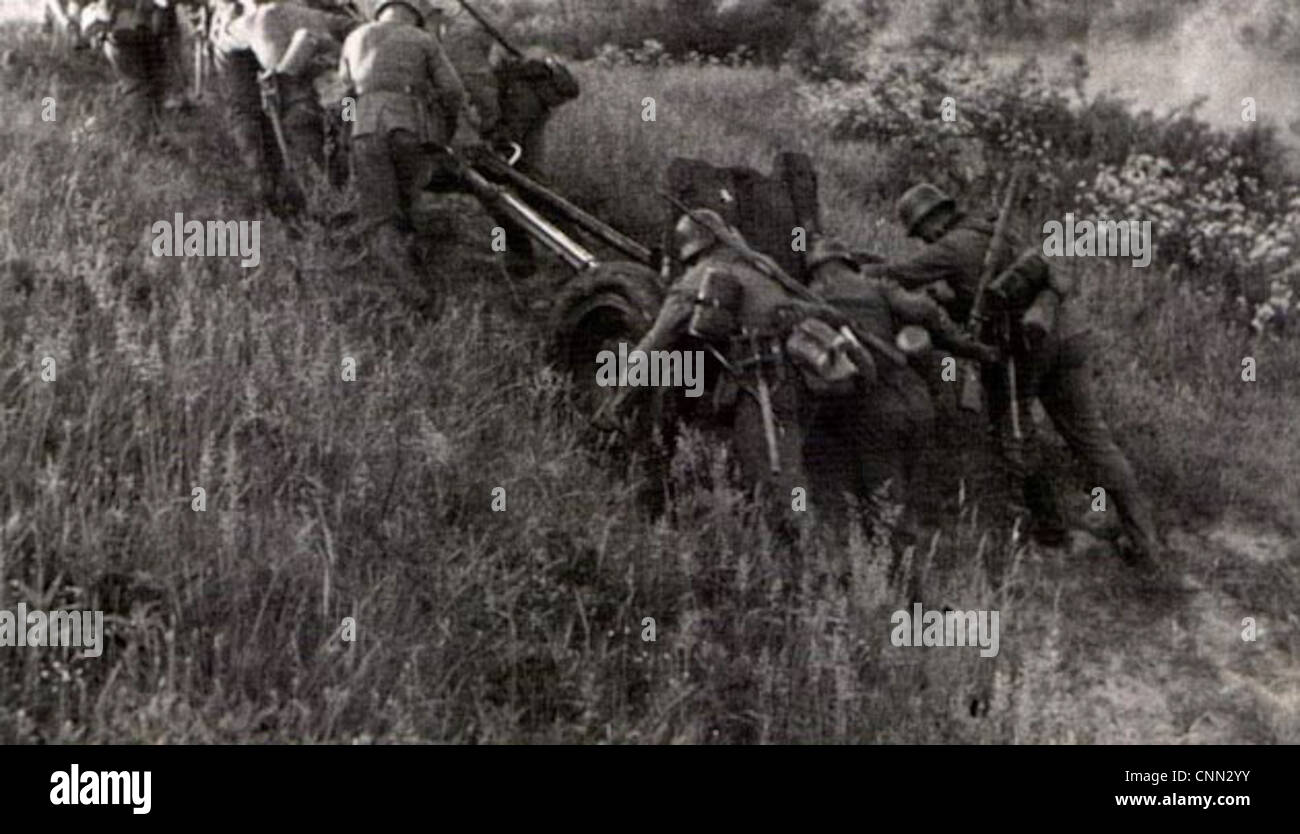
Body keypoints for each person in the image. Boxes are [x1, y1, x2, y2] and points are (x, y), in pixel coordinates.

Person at [860, 182, 1166, 573]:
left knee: (1014, 433)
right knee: (1092, 439)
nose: (923, 239)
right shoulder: (996, 229)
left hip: (1023, 351)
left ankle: (1050, 530)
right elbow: (988, 289)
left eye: (920, 231)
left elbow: (899, 275)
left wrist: (852, 267)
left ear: (933, 220)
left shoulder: (950, 247)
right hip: (1068, 334)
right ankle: (1145, 546)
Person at [337, 0, 466, 312]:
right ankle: (417, 285)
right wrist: (446, 127)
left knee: (381, 213)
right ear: (414, 15)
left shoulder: (355, 37)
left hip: (365, 130)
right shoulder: (422, 39)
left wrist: (351, 128)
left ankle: (411, 286)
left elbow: (345, 92)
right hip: (408, 127)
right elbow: (453, 91)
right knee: (407, 202)